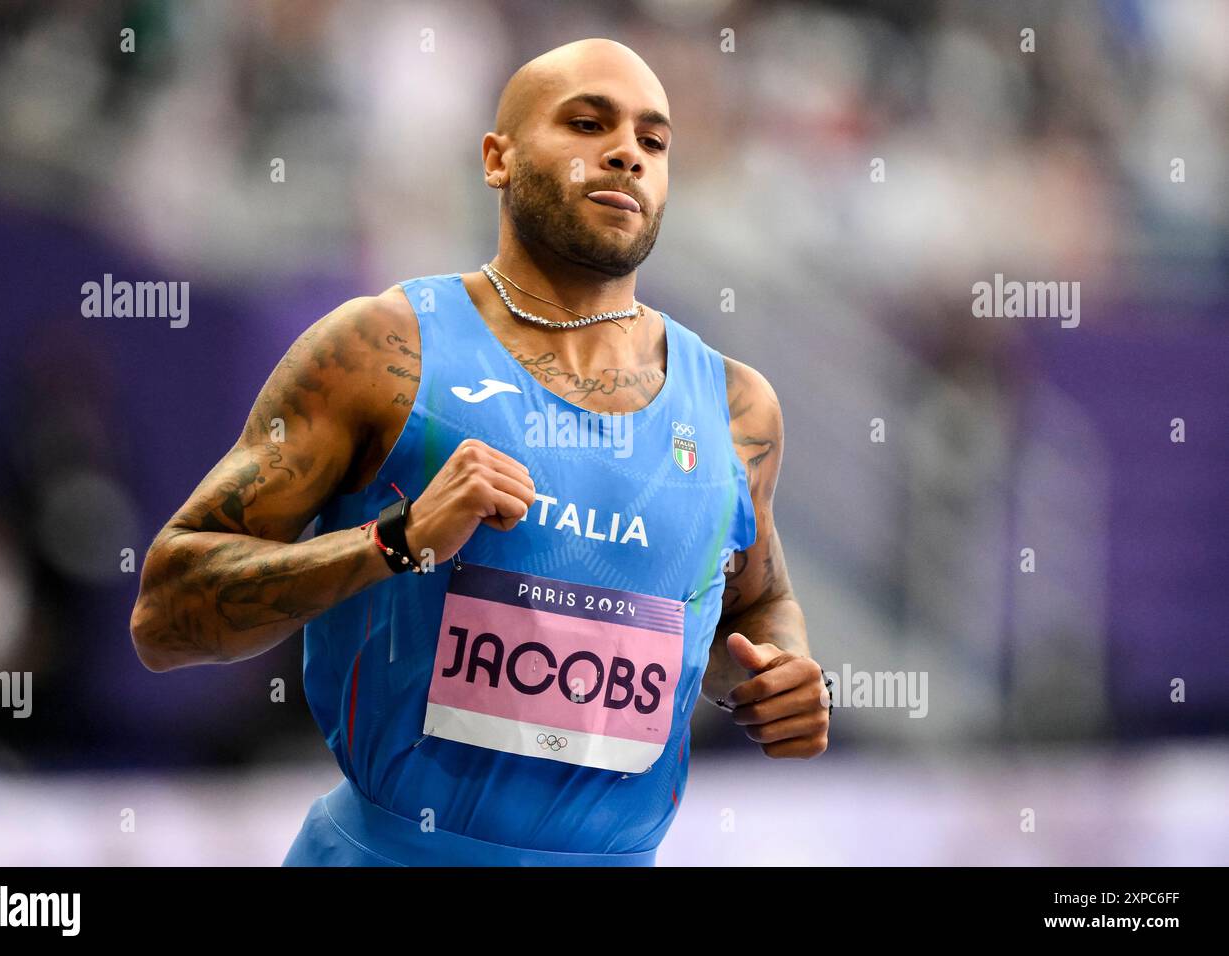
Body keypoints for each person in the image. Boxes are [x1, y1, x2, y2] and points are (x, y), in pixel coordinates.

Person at [129, 37, 828, 867]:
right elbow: (164, 617)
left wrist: (781, 674)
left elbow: (756, 605)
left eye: (654, 140)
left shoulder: (737, 409)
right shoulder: (382, 352)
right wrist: (393, 542)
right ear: (497, 159)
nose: (626, 154)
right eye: (587, 122)